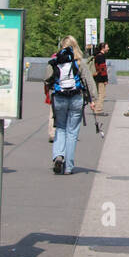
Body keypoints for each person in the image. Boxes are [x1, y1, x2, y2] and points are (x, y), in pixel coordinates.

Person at [45, 35, 96, 175]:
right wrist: (93, 100)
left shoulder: (55, 61)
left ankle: (58, 156)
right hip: (76, 98)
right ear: (75, 46)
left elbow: (47, 79)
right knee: (72, 132)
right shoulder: (79, 62)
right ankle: (68, 167)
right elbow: (89, 82)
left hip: (59, 98)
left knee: (60, 128)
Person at [92, 43, 110, 111]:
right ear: (103, 48)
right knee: (102, 94)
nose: (108, 48)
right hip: (101, 77)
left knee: (98, 93)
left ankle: (96, 108)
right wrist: (105, 79)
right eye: (107, 47)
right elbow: (103, 69)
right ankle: (98, 109)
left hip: (97, 76)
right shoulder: (101, 56)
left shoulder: (96, 55)